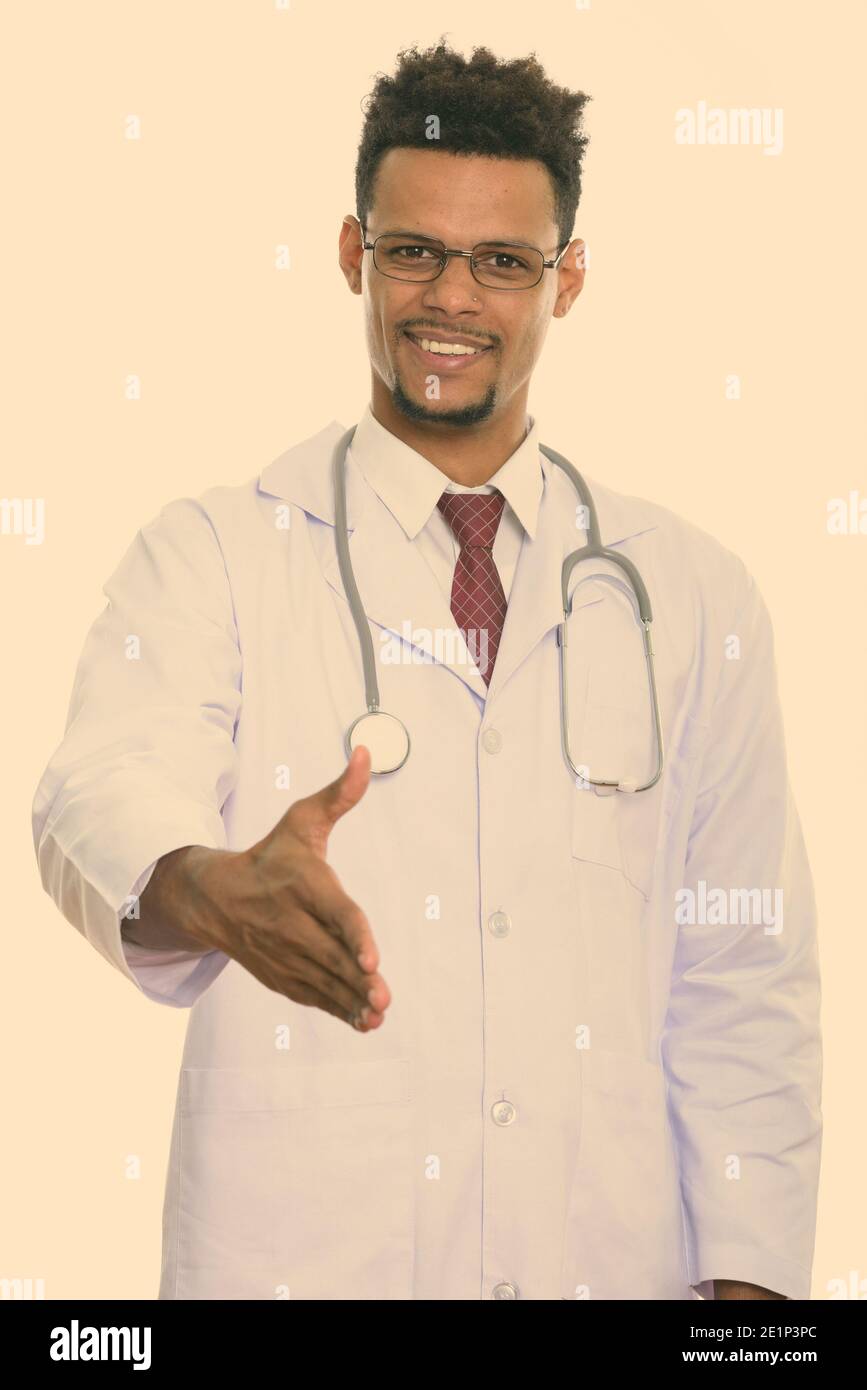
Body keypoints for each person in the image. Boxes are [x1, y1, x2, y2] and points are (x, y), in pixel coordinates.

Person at [31, 39, 822, 1301]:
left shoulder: (695, 593)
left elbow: (744, 982)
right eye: (414, 251)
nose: (452, 298)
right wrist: (208, 885)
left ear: (565, 282)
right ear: (354, 255)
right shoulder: (218, 553)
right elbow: (102, 782)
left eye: (502, 262)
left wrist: (753, 1309)